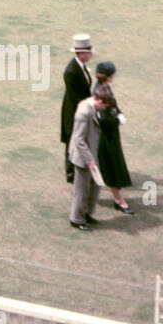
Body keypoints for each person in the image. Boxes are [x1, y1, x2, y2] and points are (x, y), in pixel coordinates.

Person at [93, 64, 134, 214]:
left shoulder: (104, 87)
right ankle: (119, 201)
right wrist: (118, 120)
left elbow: (113, 105)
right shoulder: (99, 92)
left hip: (111, 135)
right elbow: (103, 121)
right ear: (109, 76)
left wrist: (119, 113)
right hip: (106, 138)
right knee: (111, 169)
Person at [67, 85, 110, 230]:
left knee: (95, 185)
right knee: (81, 189)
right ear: (99, 101)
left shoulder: (92, 108)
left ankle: (86, 213)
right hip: (83, 157)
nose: (104, 108)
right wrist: (89, 160)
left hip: (91, 153)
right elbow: (78, 140)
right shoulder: (84, 112)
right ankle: (76, 219)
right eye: (104, 106)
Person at [61, 34, 95, 183]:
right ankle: (71, 173)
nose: (91, 54)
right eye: (88, 52)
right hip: (73, 111)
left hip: (81, 108)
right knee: (72, 139)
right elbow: (76, 97)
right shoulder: (71, 71)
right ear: (81, 53)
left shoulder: (81, 67)